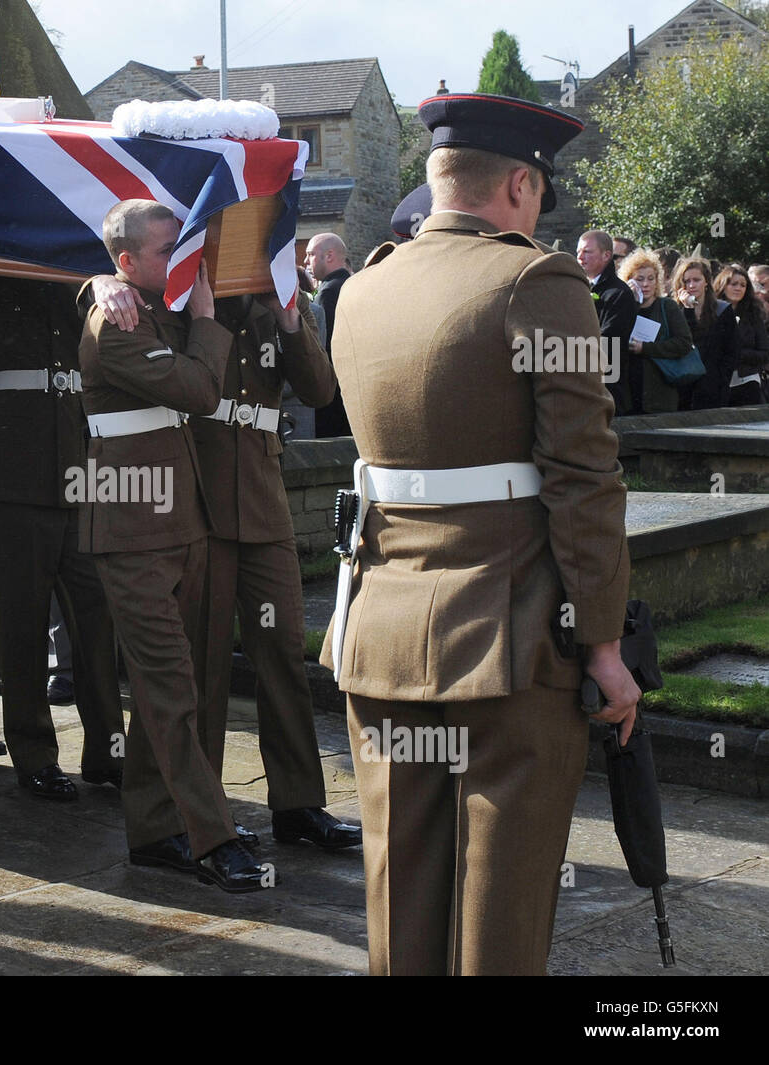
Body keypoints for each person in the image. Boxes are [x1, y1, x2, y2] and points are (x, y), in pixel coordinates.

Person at [320, 93, 639, 975]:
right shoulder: (539, 282)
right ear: (523, 185)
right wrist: (606, 643)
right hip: (509, 631)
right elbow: (583, 477)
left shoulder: (363, 286)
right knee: (503, 895)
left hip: (381, 620)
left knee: (401, 888)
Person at [88, 276, 361, 854]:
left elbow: (318, 389)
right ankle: (189, 815)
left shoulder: (280, 296)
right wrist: (98, 279)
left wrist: (289, 317)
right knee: (196, 664)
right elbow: (109, 278)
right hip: (196, 496)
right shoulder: (177, 291)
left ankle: (298, 803)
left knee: (284, 650)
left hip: (260, 496)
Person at [80, 198, 272, 892]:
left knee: (167, 689)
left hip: (177, 525)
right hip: (131, 534)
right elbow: (198, 389)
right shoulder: (117, 321)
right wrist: (205, 324)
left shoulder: (144, 304)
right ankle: (210, 836)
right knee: (170, 687)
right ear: (127, 262)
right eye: (167, 251)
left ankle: (155, 827)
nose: (181, 261)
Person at [0, 269, 126, 800]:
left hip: (76, 457)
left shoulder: (76, 272)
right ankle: (33, 755)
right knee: (20, 620)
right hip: (13, 461)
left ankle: (108, 753)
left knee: (96, 616)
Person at [618, 249, 693, 414]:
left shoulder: (667, 307)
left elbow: (684, 343)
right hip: (627, 393)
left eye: (651, 279)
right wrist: (630, 303)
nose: (645, 284)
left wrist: (646, 348)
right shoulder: (623, 308)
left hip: (659, 393)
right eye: (640, 279)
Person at [576, 229, 637, 414]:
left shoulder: (619, 294)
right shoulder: (576, 287)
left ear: (606, 255)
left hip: (606, 384)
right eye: (578, 251)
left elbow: (609, 341)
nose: (580, 257)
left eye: (587, 251)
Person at [672, 256, 737, 410]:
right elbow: (688, 342)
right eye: (687, 281)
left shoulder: (722, 310)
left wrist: (722, 377)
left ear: (706, 281)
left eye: (696, 280)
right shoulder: (675, 310)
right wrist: (688, 310)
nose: (691, 285)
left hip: (714, 383)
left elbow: (732, 349)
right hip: (684, 383)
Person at [303, 232, 352, 436]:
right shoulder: (352, 284)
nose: (305, 261)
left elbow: (324, 344)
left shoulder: (329, 292)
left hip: (334, 392)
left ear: (329, 255)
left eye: (310, 254)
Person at [714, 263, 769, 406]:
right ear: (723, 285)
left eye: (743, 285)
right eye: (733, 284)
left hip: (747, 380)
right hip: (719, 380)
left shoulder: (754, 315)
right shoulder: (713, 313)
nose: (738, 288)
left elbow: (764, 352)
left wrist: (738, 354)